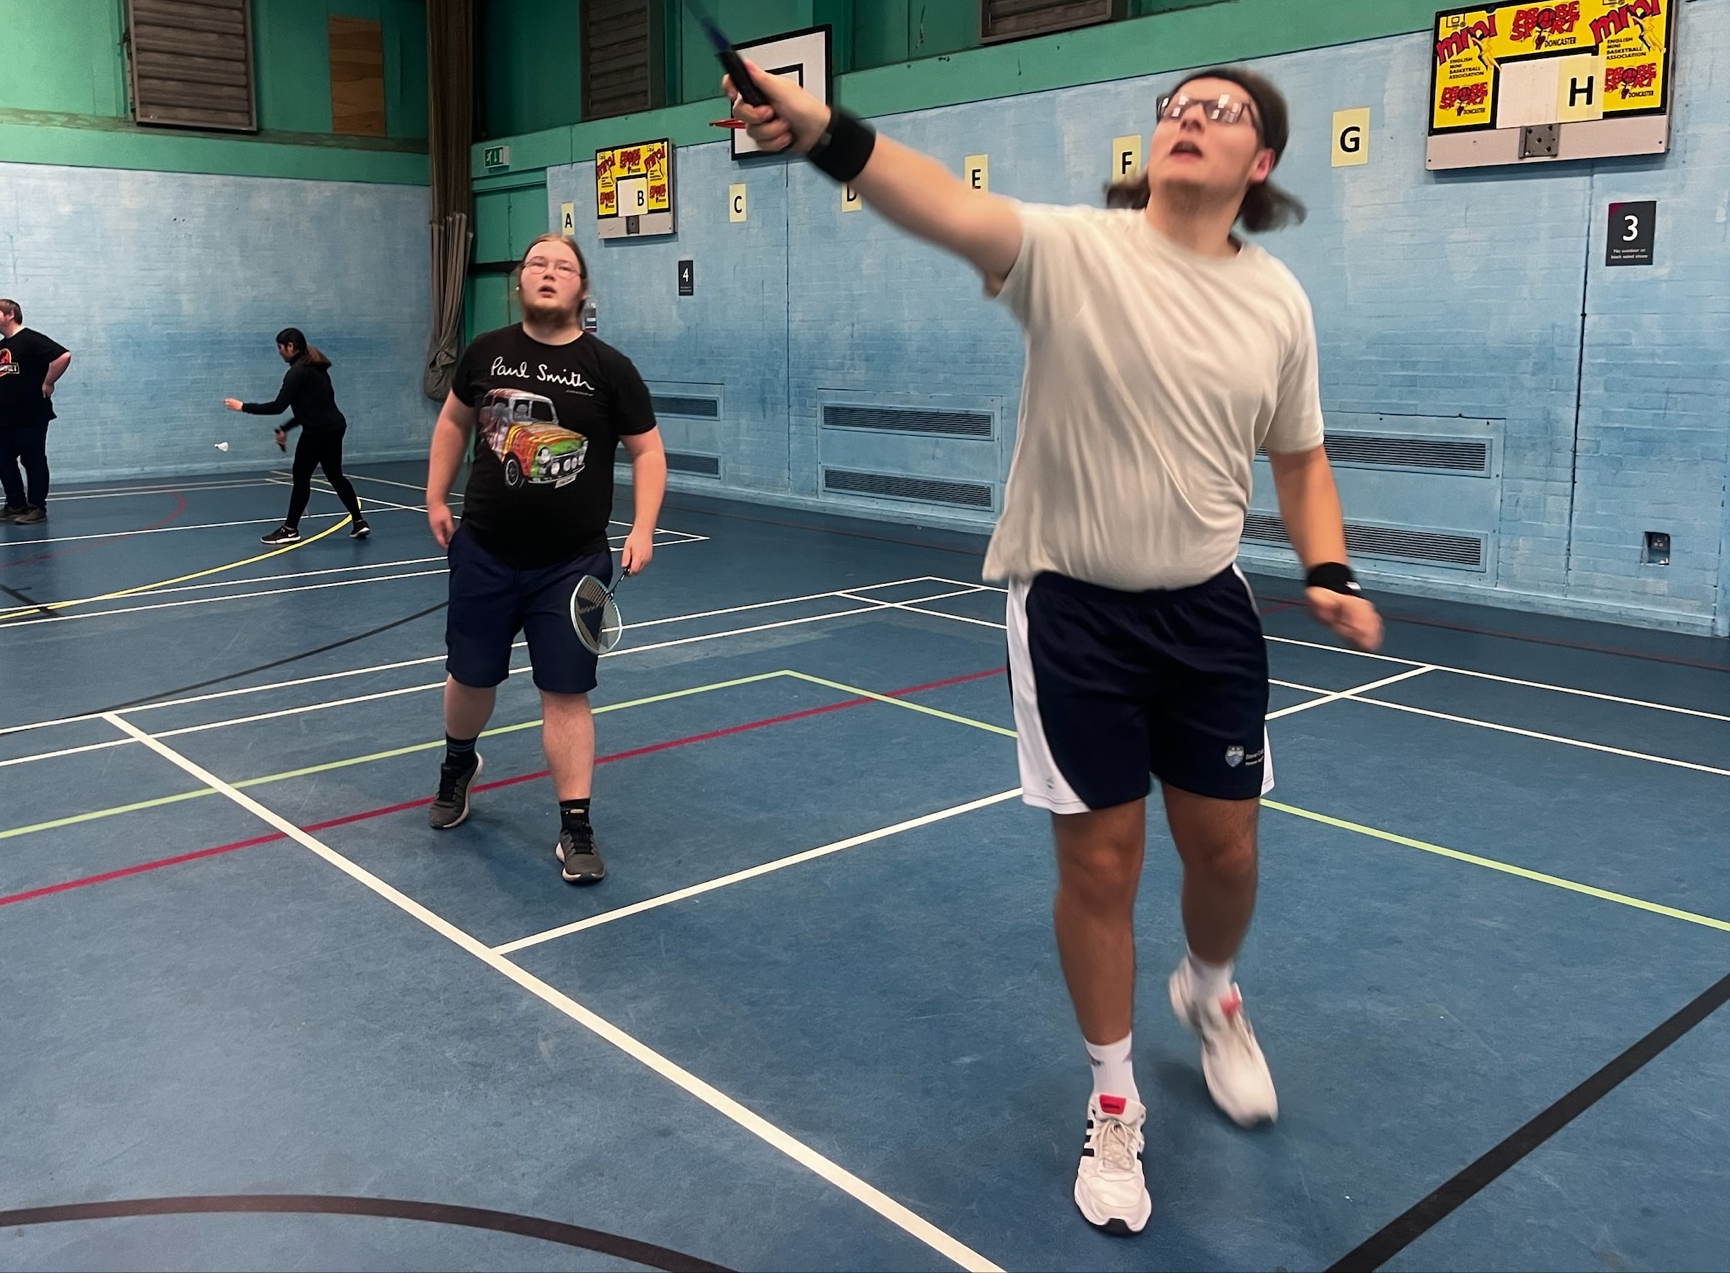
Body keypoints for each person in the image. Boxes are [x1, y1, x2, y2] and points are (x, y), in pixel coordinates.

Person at [727, 63, 1384, 1235]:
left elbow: (1298, 457)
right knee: (1100, 865)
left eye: (1221, 111)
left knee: (1224, 855)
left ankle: (1211, 992)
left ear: (1262, 163)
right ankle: (1114, 1099)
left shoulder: (1278, 301)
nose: (1189, 117)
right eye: (1177, 105)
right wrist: (822, 129)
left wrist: (1325, 569)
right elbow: (933, 198)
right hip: (1073, 610)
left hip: (1207, 609)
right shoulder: (1072, 250)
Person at [424, 233, 667, 884]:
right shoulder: (485, 353)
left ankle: (576, 823)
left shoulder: (610, 368)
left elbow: (647, 451)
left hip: (570, 565)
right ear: (521, 283)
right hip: (484, 552)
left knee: (566, 693)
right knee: (472, 677)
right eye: (537, 263)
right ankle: (458, 763)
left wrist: (643, 527)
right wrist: (433, 493)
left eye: (564, 265)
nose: (549, 272)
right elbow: (453, 422)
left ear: (582, 289)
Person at [223, 328, 369, 544]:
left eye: (280, 348)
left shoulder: (297, 372)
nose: (279, 353)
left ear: (290, 346)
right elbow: (312, 409)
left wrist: (242, 406)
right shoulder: (316, 368)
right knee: (335, 475)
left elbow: (278, 406)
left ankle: (290, 529)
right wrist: (285, 429)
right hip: (335, 427)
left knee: (301, 476)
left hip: (318, 432)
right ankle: (359, 522)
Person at [0, 299, 70, 524]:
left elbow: (63, 356)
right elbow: (0, 381)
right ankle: (15, 503)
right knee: (2, 458)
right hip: (1, 417)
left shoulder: (30, 339)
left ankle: (36, 506)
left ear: (10, 314)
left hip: (30, 415)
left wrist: (48, 382)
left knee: (33, 460)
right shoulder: (1, 346)